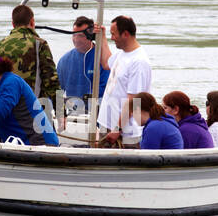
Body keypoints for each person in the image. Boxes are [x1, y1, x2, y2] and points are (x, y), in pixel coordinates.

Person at [95, 15, 151, 146]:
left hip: (125, 133)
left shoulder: (139, 62)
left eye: (113, 34)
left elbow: (134, 101)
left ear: (125, 34)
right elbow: (106, 63)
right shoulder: (123, 53)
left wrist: (118, 129)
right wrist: (102, 37)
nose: (112, 38)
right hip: (107, 124)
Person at [0, 4, 60, 103]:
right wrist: (61, 113)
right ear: (32, 22)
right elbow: (52, 81)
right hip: (32, 111)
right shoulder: (39, 44)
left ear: (13, 24)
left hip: (4, 109)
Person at [55, 15, 110, 117]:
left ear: (90, 36)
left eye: (80, 35)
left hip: (97, 114)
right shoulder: (64, 60)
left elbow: (106, 88)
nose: (76, 39)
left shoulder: (102, 59)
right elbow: (57, 89)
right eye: (74, 35)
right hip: (72, 113)